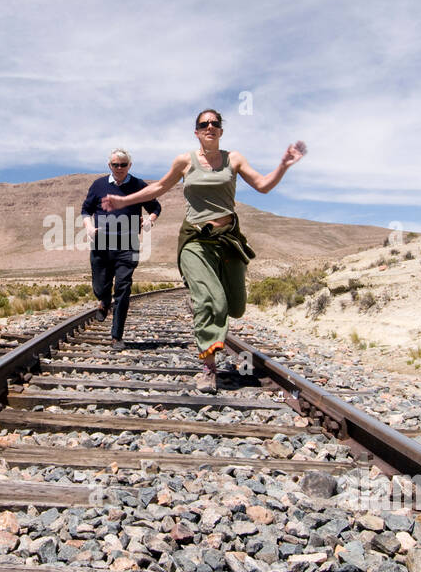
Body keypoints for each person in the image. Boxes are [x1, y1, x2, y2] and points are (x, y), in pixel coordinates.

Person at [101, 109, 305, 391]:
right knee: (214, 302)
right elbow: (159, 186)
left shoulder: (234, 159)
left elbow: (263, 185)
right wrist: (125, 202)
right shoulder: (185, 161)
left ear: (221, 131)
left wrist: (283, 165)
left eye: (215, 124)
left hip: (227, 240)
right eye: (203, 124)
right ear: (196, 131)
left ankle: (202, 302)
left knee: (235, 306)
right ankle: (208, 368)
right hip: (195, 240)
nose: (210, 127)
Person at [81, 148, 161, 348]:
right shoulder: (98, 185)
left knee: (123, 288)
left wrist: (150, 220)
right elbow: (86, 210)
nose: (119, 168)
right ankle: (103, 300)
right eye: (115, 164)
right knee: (100, 285)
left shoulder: (138, 185)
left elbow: (155, 207)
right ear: (109, 165)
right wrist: (89, 227)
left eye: (123, 164)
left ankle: (117, 336)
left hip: (128, 244)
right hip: (101, 243)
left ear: (129, 166)